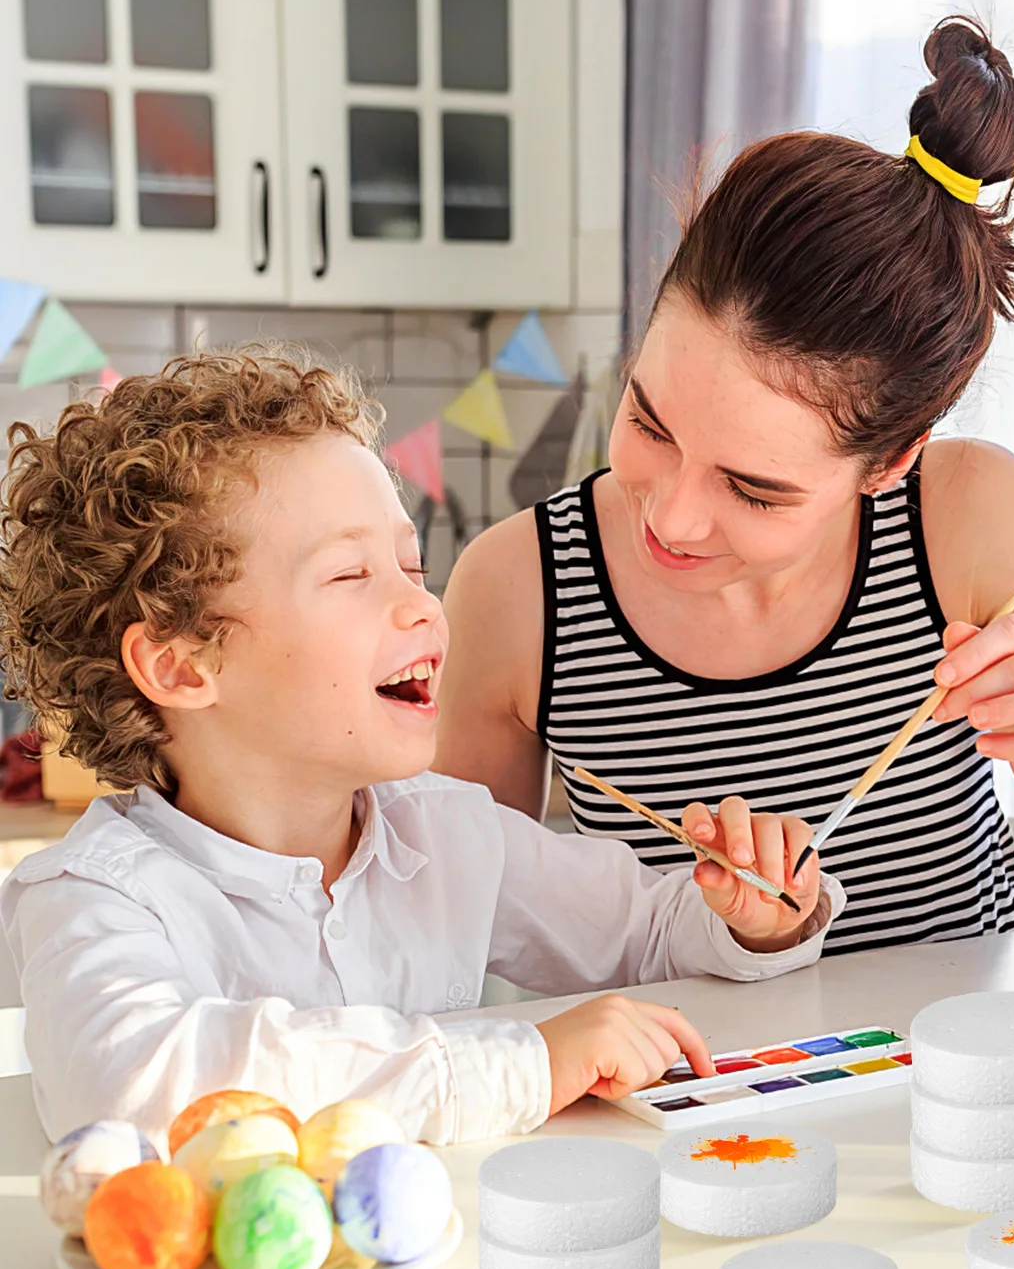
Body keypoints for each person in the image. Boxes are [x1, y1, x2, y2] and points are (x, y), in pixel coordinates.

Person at [436, 16, 1014, 960]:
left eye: (754, 490)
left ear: (890, 463)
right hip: (692, 1064)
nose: (672, 516)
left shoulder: (967, 517)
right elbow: (447, 934)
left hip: (970, 1048)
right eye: (648, 421)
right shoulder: (519, 591)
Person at [0, 352, 838, 1145]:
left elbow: (647, 936)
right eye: (350, 576)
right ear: (182, 665)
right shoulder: (93, 894)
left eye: (412, 566)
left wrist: (754, 917)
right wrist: (523, 1065)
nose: (424, 608)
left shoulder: (446, 831)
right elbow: (136, 1085)